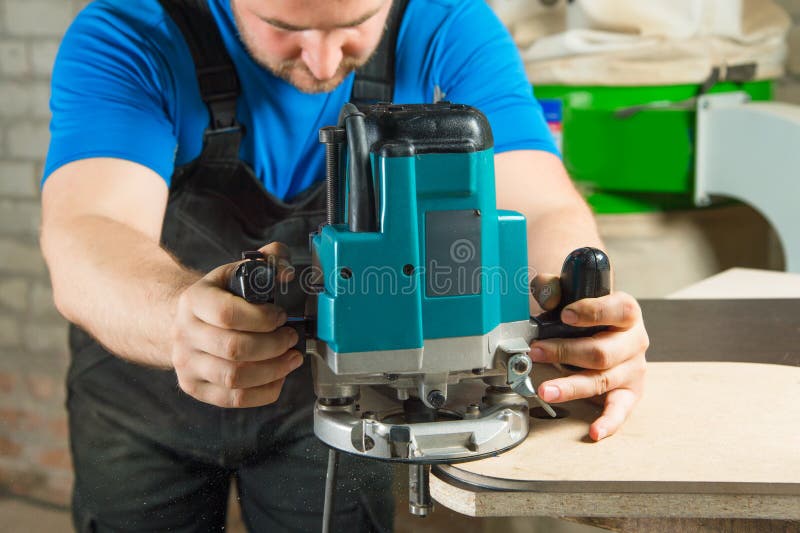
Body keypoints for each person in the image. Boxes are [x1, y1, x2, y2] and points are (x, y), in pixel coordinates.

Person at [40, 0, 649, 530]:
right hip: (143, 388)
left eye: (356, 25)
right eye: (285, 26)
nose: (326, 62)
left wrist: (576, 308)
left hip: (338, 394)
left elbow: (539, 206)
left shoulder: (448, 25)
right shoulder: (131, 32)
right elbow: (90, 232)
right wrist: (179, 318)